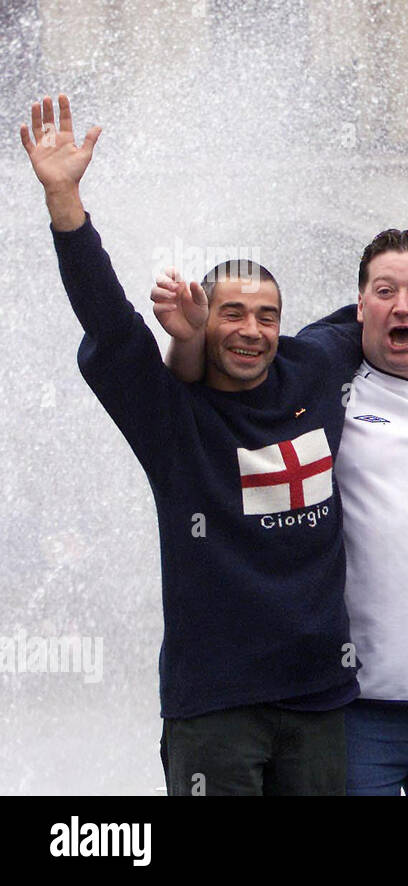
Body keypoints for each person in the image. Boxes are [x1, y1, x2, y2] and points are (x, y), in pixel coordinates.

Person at [22, 94, 360, 795]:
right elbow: (113, 327)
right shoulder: (171, 422)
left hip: (323, 700)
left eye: (267, 316)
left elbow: (392, 314)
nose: (252, 329)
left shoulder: (316, 365)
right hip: (215, 709)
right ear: (202, 322)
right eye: (231, 313)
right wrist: (66, 203)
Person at [156, 229, 408, 796]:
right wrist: (190, 342)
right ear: (359, 306)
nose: (402, 305)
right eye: (384, 291)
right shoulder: (320, 381)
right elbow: (225, 375)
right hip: (350, 710)